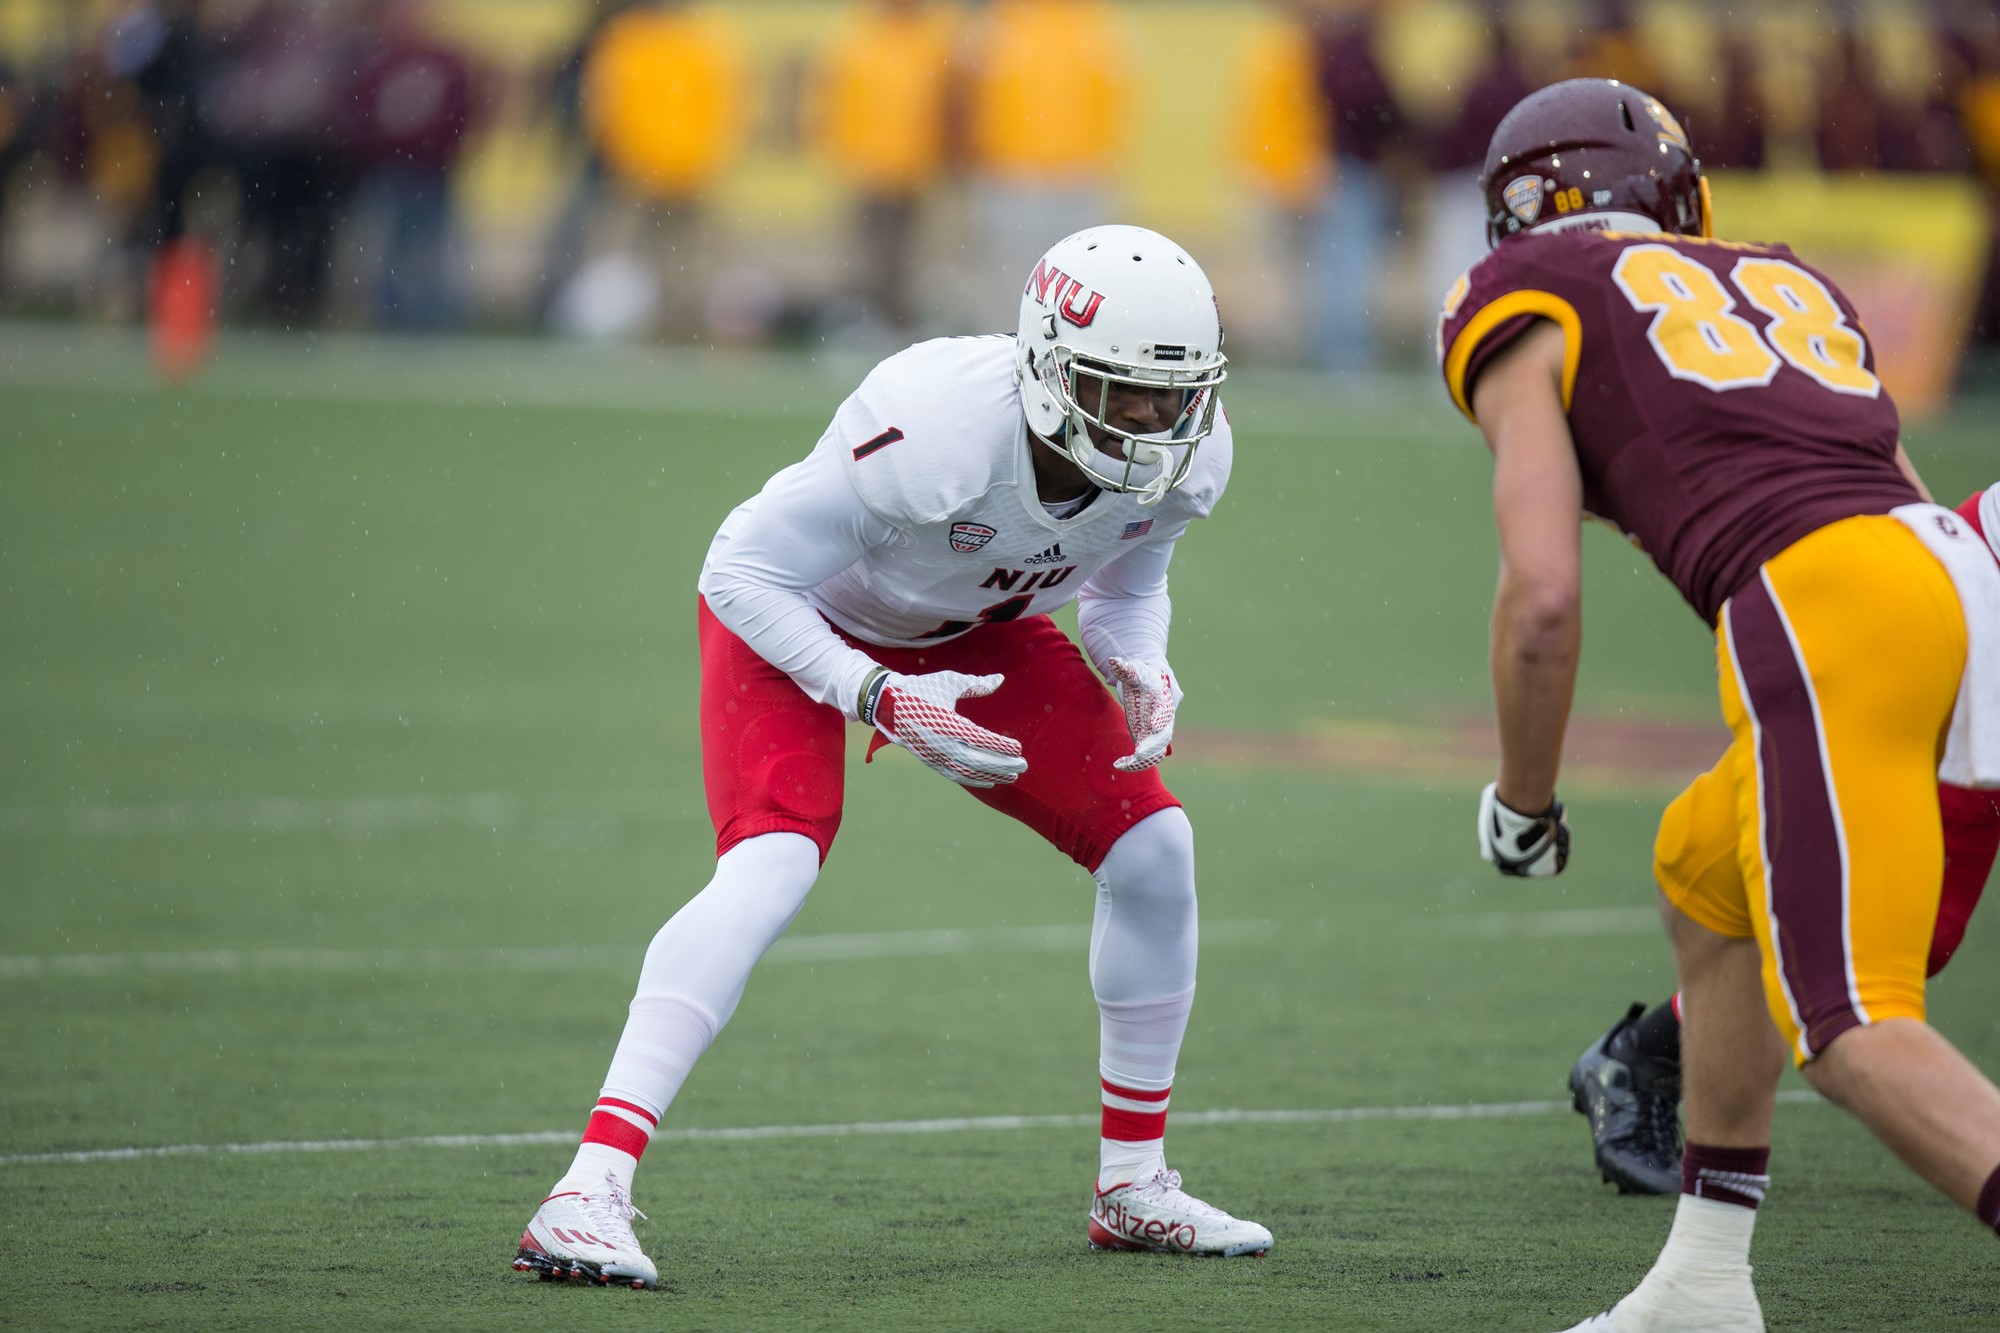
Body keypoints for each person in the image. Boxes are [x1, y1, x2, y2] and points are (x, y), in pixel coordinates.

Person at [511, 224, 1271, 1288]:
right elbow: (740, 570)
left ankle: (1131, 1184)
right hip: (798, 616)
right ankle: (585, 1188)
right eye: (1120, 390)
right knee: (771, 864)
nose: (1153, 420)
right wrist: (873, 693)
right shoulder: (936, 425)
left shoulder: (1196, 451)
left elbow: (1125, 579)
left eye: (1171, 393)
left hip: (971, 627)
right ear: (1048, 363)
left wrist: (1139, 661)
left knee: (1156, 849)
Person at [1437, 78, 2000, 1331]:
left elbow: (1539, 598)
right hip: (1951, 569)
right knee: (1703, 867)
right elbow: (1894, 488)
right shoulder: (1784, 278)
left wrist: (1521, 799)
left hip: (1825, 601)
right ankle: (1701, 1277)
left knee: (1854, 1026)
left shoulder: (1522, 298)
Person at [1570, 482, 2000, 1199]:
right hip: (1941, 615)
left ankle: (1646, 1061)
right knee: (1865, 949)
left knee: (1897, 933)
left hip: (1919, 595)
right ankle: (1647, 1063)